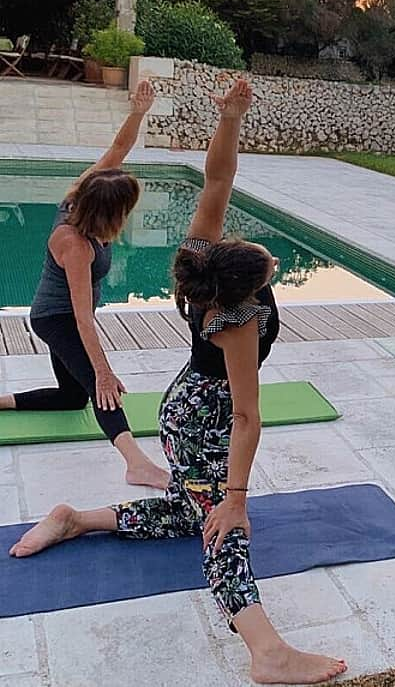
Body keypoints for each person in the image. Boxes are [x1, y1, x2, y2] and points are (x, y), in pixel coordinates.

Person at [8, 79, 347, 686]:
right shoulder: (238, 322)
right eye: (267, 262)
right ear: (250, 286)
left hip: (182, 405)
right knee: (222, 525)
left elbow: (217, 181)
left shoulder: (199, 261)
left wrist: (231, 119)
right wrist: (237, 496)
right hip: (205, 420)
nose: (268, 258)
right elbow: (247, 416)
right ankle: (265, 648)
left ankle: (76, 518)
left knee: (189, 511)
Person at [0, 81, 169, 489]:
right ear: (110, 212)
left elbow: (118, 150)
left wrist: (138, 113)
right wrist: (104, 371)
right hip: (57, 319)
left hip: (61, 315)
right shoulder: (75, 246)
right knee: (99, 388)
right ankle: (136, 463)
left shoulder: (80, 195)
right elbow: (81, 320)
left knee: (71, 395)